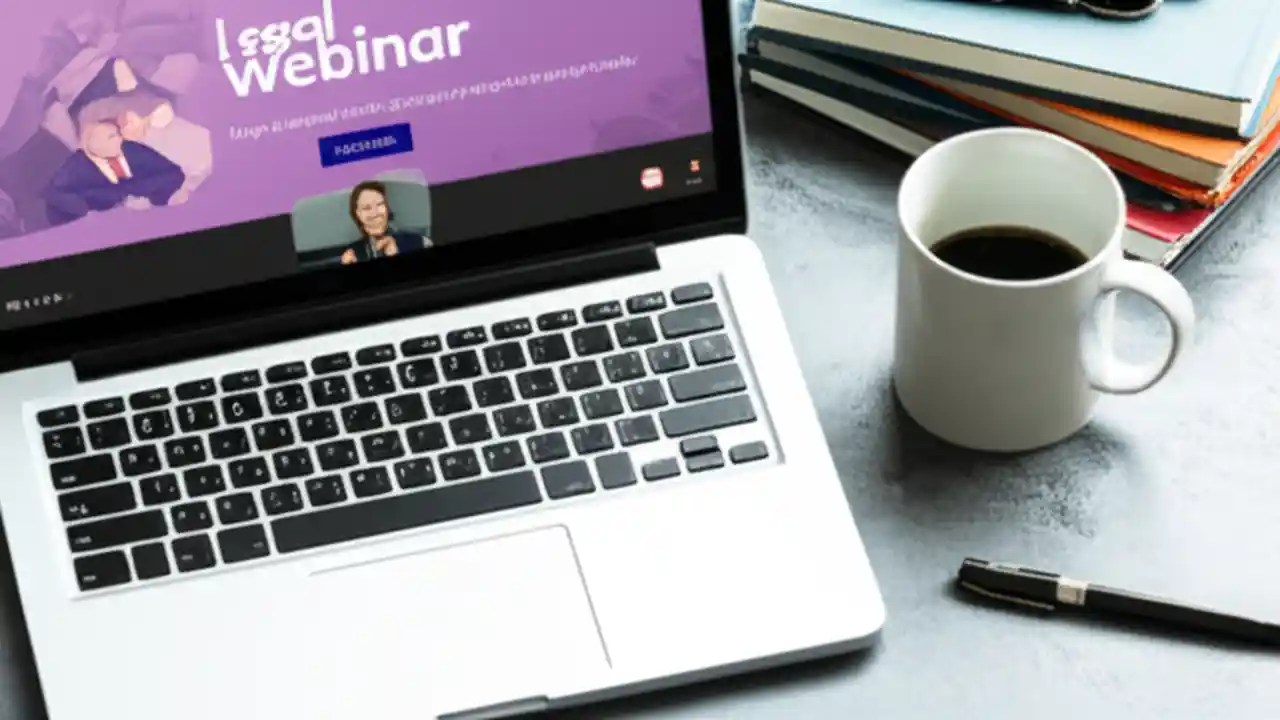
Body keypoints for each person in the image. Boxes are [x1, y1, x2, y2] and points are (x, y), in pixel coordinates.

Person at [339, 180, 432, 265]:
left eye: (380, 204)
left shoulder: (421, 243)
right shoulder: (350, 254)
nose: (375, 213)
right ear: (357, 214)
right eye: (366, 208)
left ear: (387, 207)